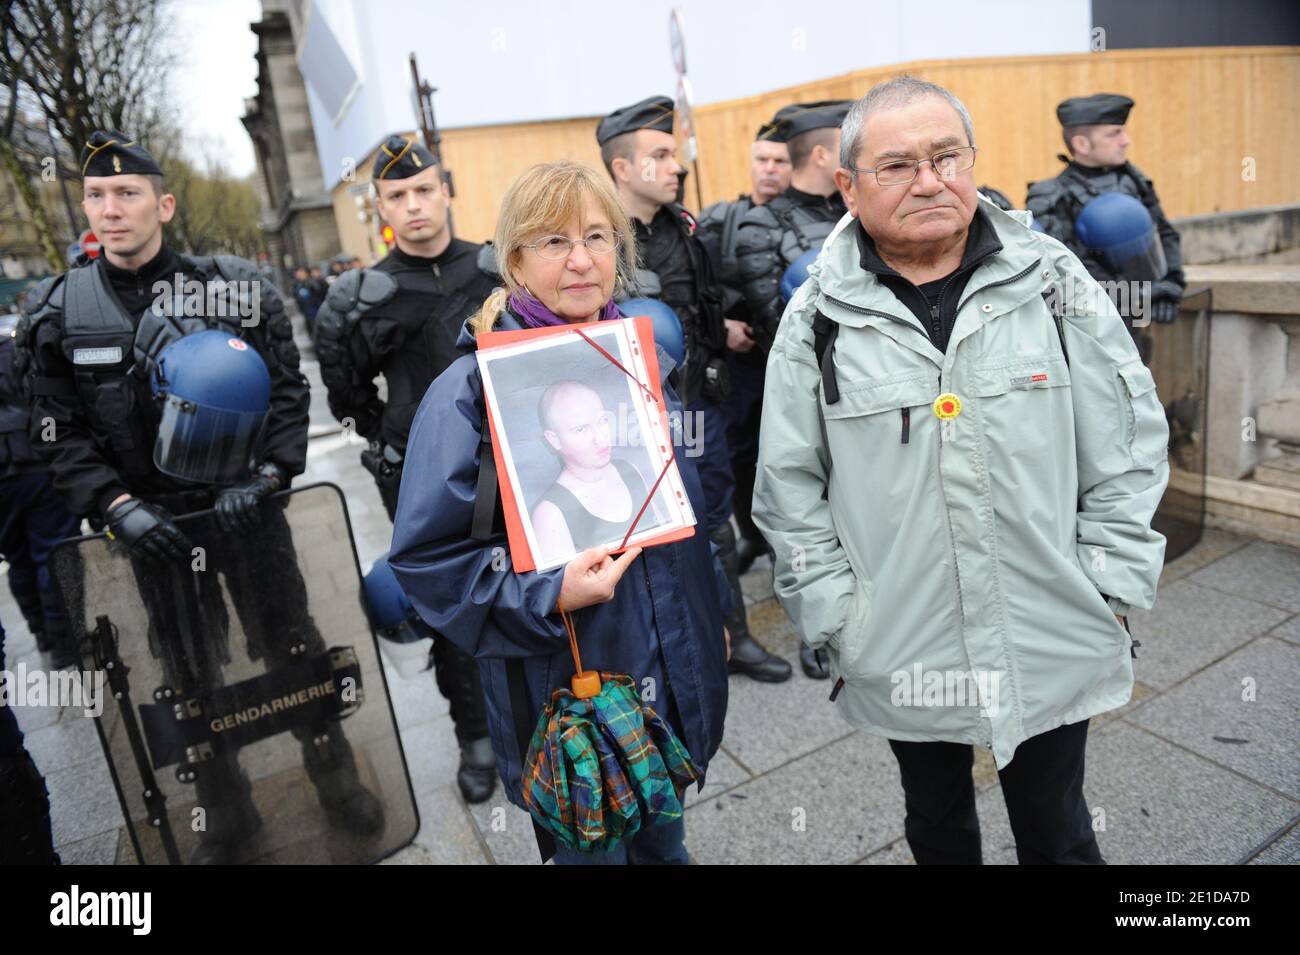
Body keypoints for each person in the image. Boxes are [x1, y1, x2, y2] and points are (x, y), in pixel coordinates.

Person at [754, 78, 1170, 865]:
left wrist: (1112, 581)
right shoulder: (816, 318)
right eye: (899, 165)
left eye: (947, 156)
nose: (930, 180)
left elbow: (1128, 438)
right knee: (938, 826)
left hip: (1048, 625)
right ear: (847, 184)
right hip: (903, 642)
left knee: (1060, 830)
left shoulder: (1050, 280)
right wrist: (840, 619)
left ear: (972, 161)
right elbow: (788, 486)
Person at [15, 131, 383, 863]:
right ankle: (226, 808)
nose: (110, 209)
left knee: (292, 646)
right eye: (96, 196)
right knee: (186, 675)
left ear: (165, 204)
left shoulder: (233, 289)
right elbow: (56, 432)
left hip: (244, 513)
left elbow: (285, 390)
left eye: (128, 194)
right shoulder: (59, 314)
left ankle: (333, 773)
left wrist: (271, 478)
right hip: (153, 528)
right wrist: (117, 508)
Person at [388, 159, 730, 865]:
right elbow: (429, 562)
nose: (582, 260)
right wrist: (548, 594)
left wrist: (714, 614)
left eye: (599, 237)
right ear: (515, 260)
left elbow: (689, 513)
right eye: (554, 242)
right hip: (565, 694)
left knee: (668, 847)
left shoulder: (641, 364)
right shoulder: (469, 393)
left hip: (667, 669)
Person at [313, 134, 501, 803]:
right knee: (448, 607)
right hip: (421, 479)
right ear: (382, 206)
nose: (415, 205)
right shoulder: (368, 295)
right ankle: (476, 740)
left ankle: (534, 722)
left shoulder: (493, 268)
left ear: (445, 189)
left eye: (425, 189)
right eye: (399, 195)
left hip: (505, 466)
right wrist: (396, 436)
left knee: (527, 588)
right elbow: (347, 391)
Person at [598, 96, 788, 685]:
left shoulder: (685, 231)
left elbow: (703, 304)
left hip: (699, 406)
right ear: (622, 169)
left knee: (713, 518)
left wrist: (721, 330)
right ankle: (670, 652)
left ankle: (735, 636)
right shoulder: (599, 243)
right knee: (646, 535)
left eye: (673, 153)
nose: (675, 166)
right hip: (628, 418)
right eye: (659, 155)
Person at [733, 98, 852, 680]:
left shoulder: (860, 209)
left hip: (869, 394)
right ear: (823, 152)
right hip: (800, 397)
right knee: (802, 510)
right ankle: (813, 622)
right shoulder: (761, 223)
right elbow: (769, 322)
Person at [696, 118, 793, 588]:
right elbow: (702, 289)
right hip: (740, 366)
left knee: (789, 455)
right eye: (763, 160)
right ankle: (752, 536)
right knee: (739, 456)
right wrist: (726, 326)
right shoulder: (721, 220)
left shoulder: (804, 222)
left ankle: (791, 552)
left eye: (780, 161)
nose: (770, 170)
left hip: (791, 363)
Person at [1026, 93, 1184, 363]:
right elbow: (1065, 281)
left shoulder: (1134, 182)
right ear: (1082, 144)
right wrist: (1145, 295)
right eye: (1114, 134)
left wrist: (1170, 287)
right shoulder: (1051, 197)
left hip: (1135, 328)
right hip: (1088, 338)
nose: (1126, 140)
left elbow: (1165, 234)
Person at [0, 310, 81, 668]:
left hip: (16, 470)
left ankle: (43, 634)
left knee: (19, 558)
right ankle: (64, 641)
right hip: (33, 463)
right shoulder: (12, 348)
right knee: (53, 552)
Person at [530, 379, 655, 564]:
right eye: (581, 429)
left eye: (603, 420)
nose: (600, 437)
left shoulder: (628, 470)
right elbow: (567, 589)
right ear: (553, 440)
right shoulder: (549, 515)